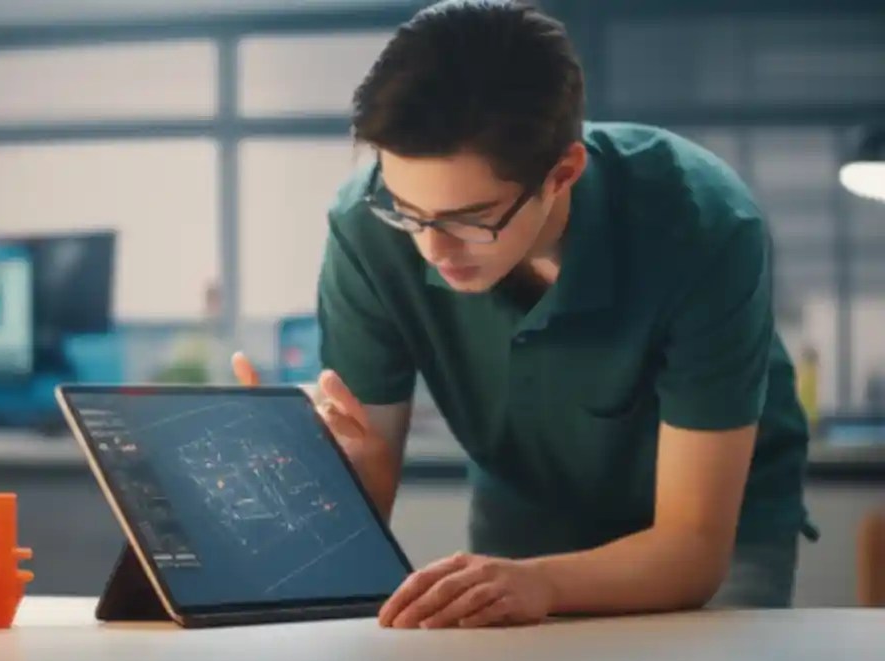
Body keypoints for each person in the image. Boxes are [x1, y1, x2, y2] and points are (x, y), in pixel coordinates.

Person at [232, 0, 816, 629]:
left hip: (710, 523)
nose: (432, 249)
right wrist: (295, 486)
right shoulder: (367, 225)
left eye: (471, 219)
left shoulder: (701, 222)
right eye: (407, 209)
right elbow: (365, 479)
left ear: (562, 173)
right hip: (525, 500)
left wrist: (539, 581)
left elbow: (692, 549)